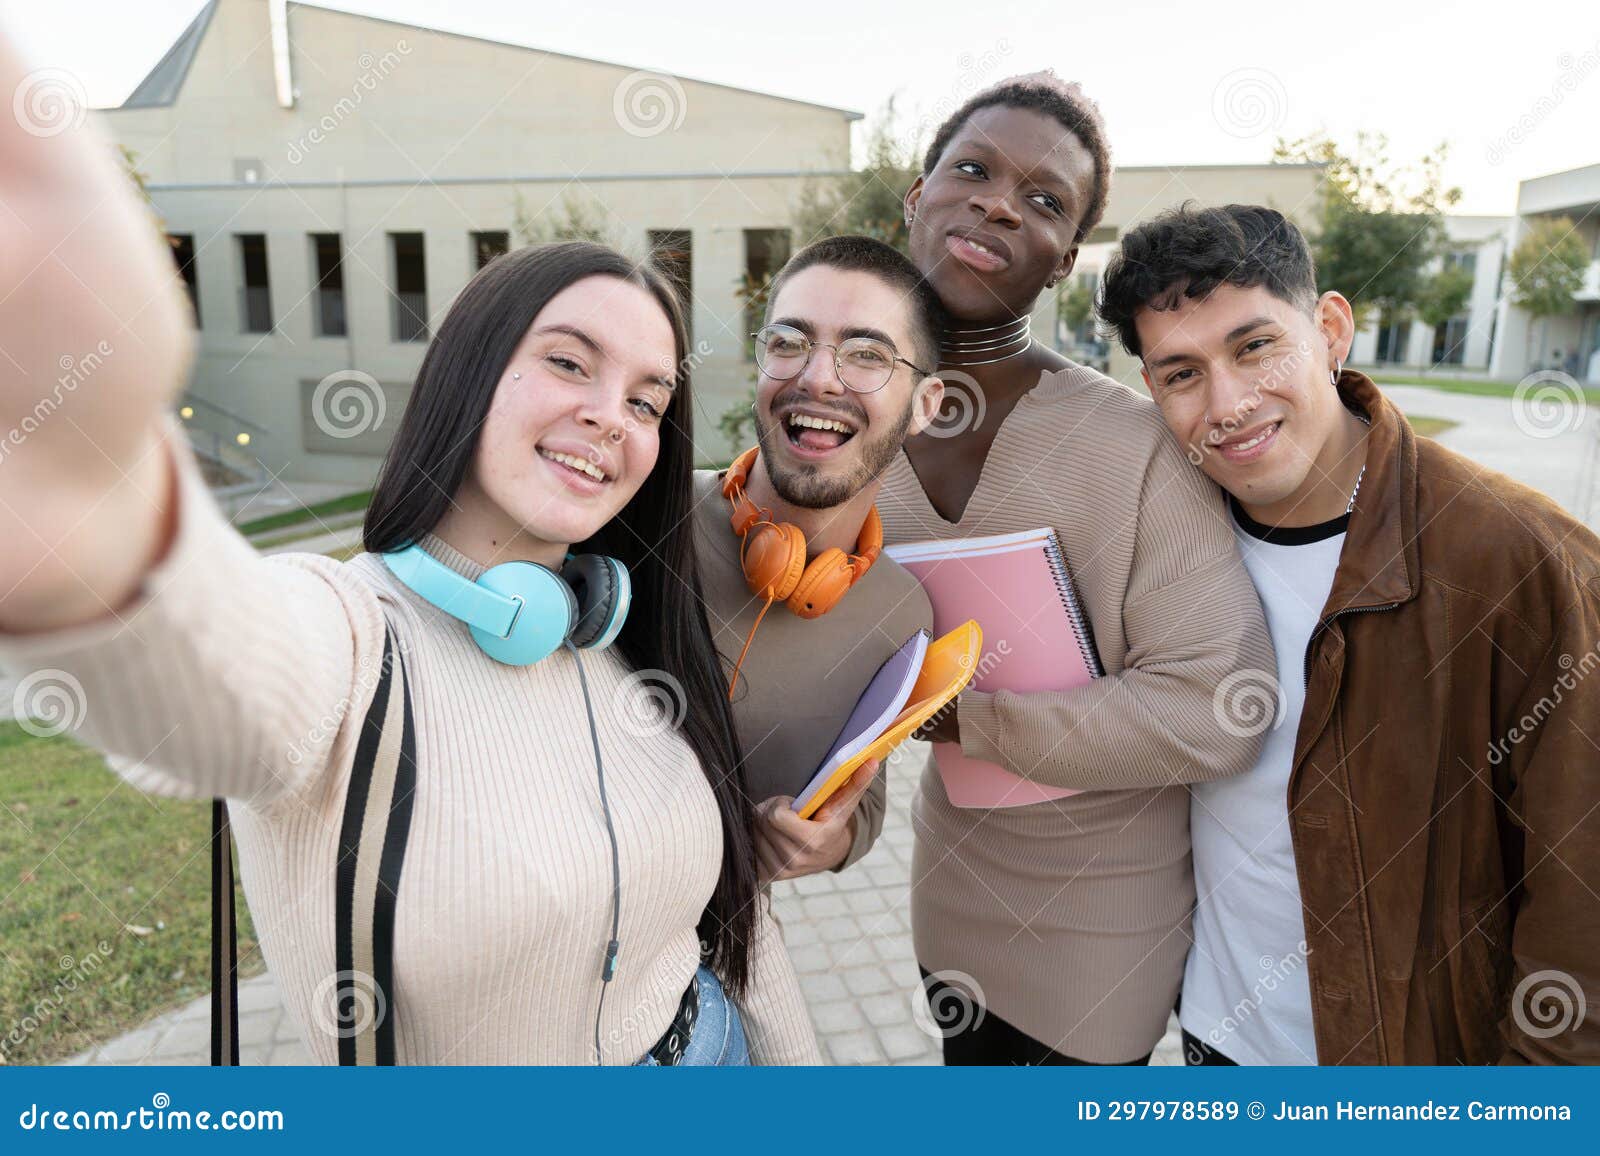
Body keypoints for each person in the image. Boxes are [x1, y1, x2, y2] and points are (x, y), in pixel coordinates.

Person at [0, 47, 817, 1066]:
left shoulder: (629, 625)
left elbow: (739, 926)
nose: (610, 416)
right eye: (568, 361)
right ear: (468, 377)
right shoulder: (345, 637)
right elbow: (213, 679)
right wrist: (92, 499)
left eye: (647, 400)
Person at [1098, 201, 1600, 1065]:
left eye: (1255, 347)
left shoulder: (1523, 560)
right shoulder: (1158, 540)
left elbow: (1583, 906)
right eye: (1181, 373)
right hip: (1214, 1040)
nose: (1228, 403)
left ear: (1331, 329)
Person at [875, 72, 1273, 1065]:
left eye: (1045, 201)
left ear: (1061, 263)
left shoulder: (1134, 446)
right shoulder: (850, 435)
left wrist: (972, 718)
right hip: (952, 893)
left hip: (1100, 925)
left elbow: (1222, 708)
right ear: (914, 199)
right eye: (971, 170)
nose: (1000, 202)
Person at [693, 236, 944, 881]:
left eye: (867, 355)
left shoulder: (902, 612)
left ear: (926, 404)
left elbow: (861, 799)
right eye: (788, 343)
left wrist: (827, 844)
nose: (818, 376)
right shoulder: (644, 516)